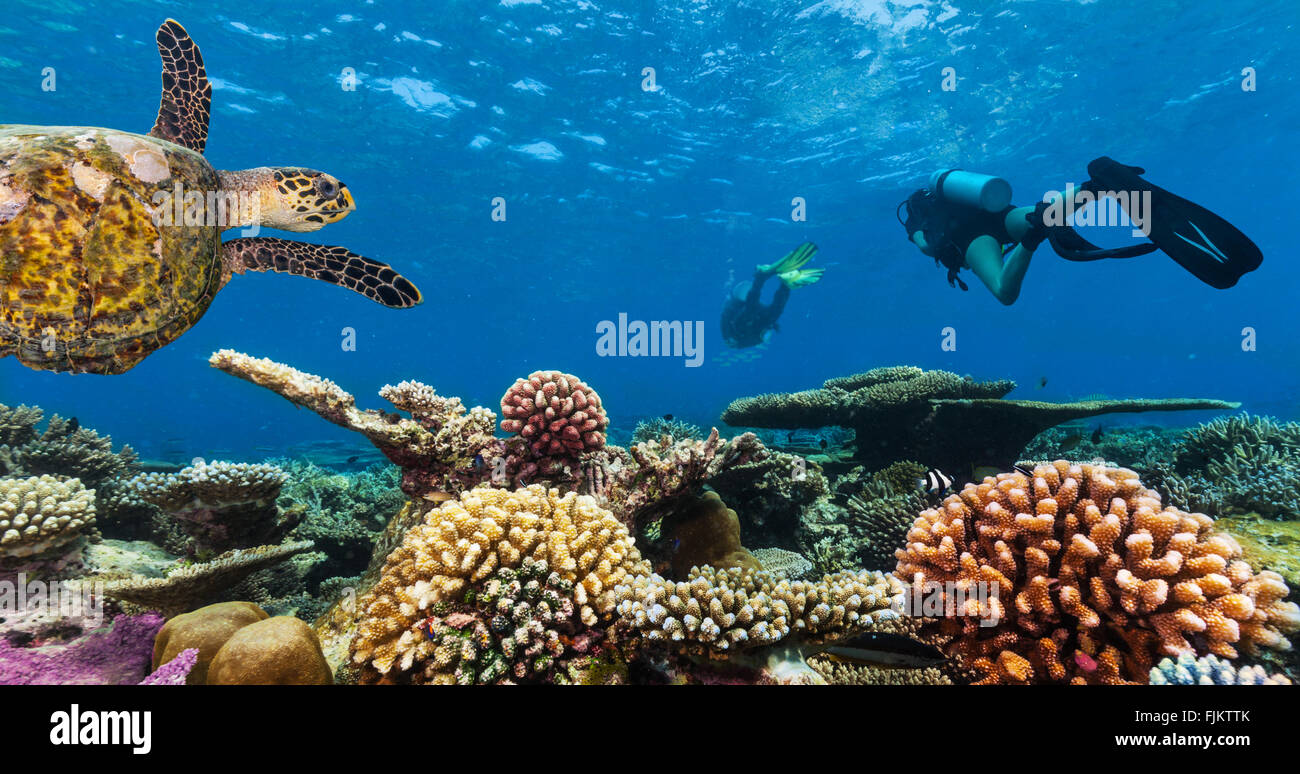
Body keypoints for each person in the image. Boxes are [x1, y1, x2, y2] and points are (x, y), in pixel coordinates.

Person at [898, 158, 1262, 304]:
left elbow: (929, 248)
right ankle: (1094, 187)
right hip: (997, 211)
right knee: (1039, 212)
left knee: (1004, 291)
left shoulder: (917, 222)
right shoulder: (953, 194)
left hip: (973, 237)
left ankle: (1034, 236)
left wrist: (926, 242)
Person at [721, 242, 823, 348]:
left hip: (742, 318)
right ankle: (785, 285)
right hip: (751, 322)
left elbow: (747, 308)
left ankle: (760, 277)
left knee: (752, 310)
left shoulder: (732, 320)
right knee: (774, 311)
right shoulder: (747, 335)